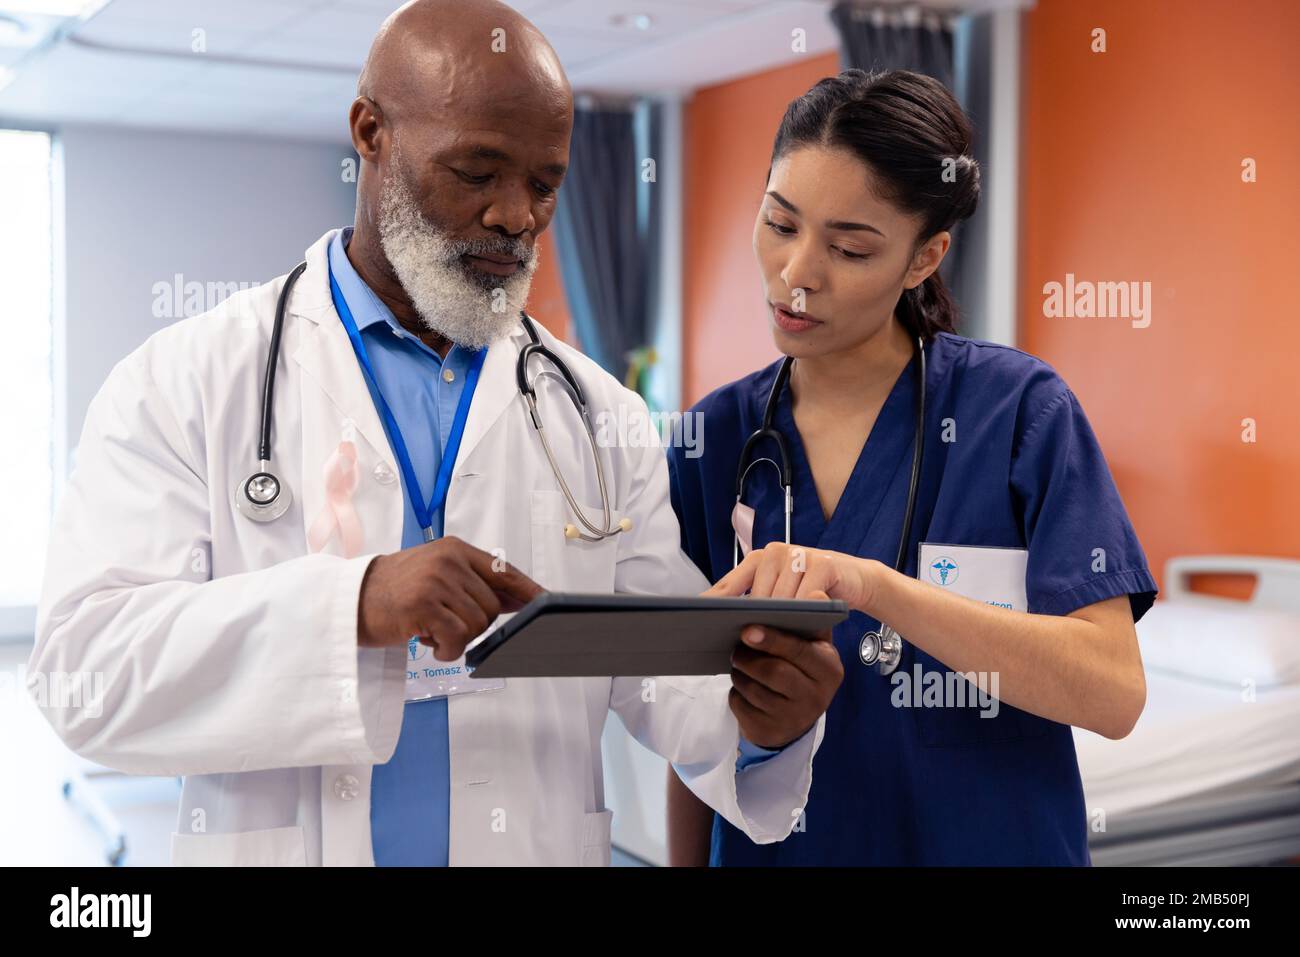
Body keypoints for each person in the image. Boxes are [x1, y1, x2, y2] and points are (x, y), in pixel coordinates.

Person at [28, 0, 842, 867]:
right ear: (370, 133)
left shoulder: (598, 415)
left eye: (543, 184)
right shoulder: (188, 382)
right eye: (478, 170)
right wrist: (354, 606)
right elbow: (84, 674)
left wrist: (763, 720)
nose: (515, 216)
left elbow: (656, 673)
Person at [665, 69, 1156, 866]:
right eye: (780, 223)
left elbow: (1113, 691)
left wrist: (875, 588)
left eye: (850, 247)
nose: (798, 273)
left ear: (925, 256)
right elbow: (689, 716)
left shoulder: (1020, 413)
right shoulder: (715, 438)